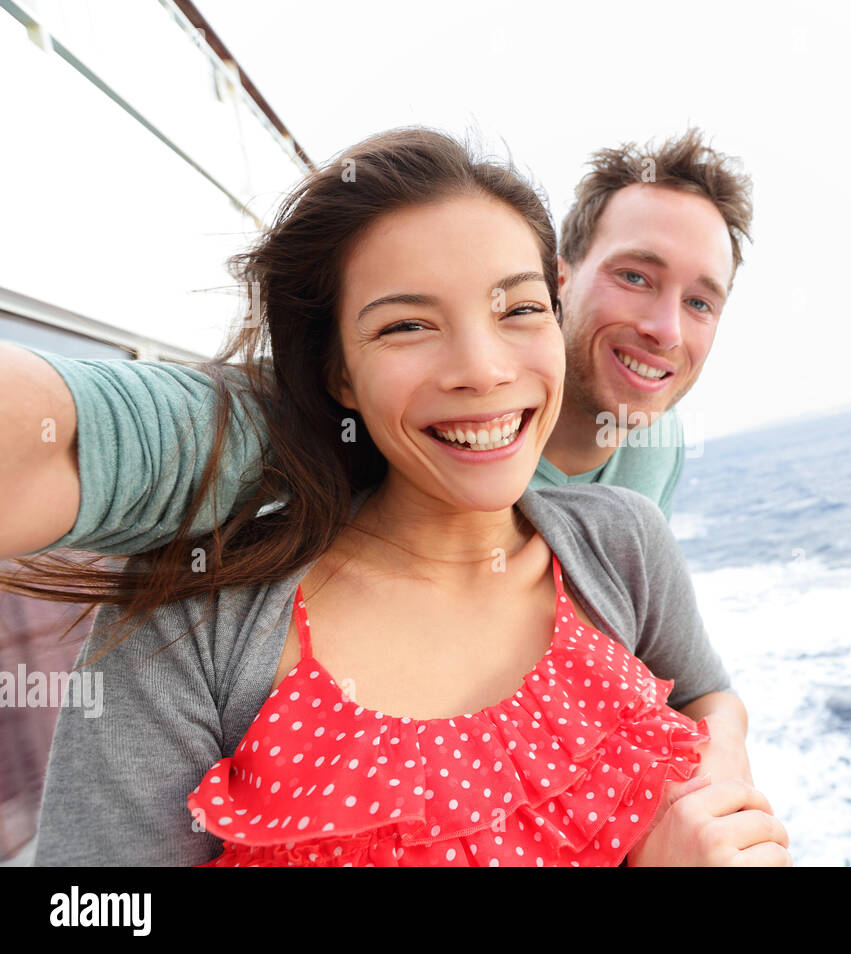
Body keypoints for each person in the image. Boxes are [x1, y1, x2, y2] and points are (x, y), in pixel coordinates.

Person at [16, 126, 789, 866]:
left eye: (517, 309)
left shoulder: (626, 537)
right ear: (338, 374)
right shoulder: (192, 624)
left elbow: (705, 695)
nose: (482, 369)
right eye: (408, 325)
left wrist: (707, 807)